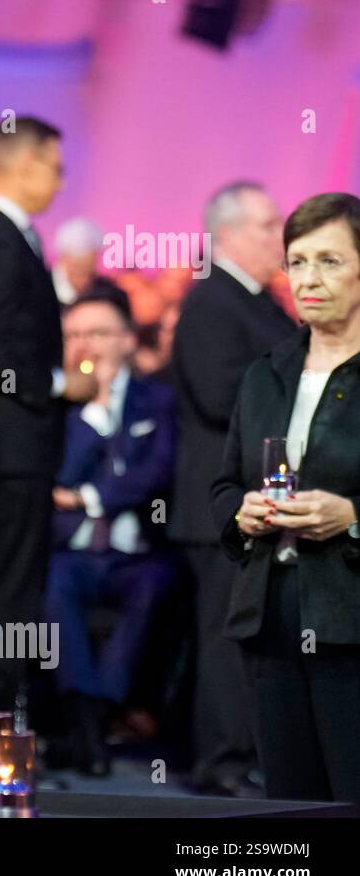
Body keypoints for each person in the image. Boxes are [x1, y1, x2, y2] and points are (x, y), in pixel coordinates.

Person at [0, 115, 96, 712]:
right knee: (6, 594)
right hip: (11, 451)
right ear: (26, 164)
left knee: (9, 592)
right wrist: (63, 384)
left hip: (16, 449)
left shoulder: (9, 235)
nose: (60, 182)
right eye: (55, 168)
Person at [211, 192, 360, 804]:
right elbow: (223, 486)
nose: (308, 279)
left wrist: (352, 517)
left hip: (350, 615)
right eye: (297, 262)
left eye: (329, 260)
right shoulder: (266, 372)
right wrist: (242, 517)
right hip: (270, 616)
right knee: (290, 802)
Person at [172, 181, 297, 797]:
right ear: (227, 233)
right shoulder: (212, 304)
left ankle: (249, 753)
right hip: (218, 506)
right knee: (226, 638)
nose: (280, 234)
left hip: (255, 502)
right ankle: (220, 760)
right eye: (268, 223)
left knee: (250, 636)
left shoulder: (260, 302)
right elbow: (222, 397)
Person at [45, 296, 176, 775]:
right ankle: (90, 723)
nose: (84, 344)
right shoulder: (57, 406)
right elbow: (55, 477)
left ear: (125, 340)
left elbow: (156, 475)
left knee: (156, 586)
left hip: (136, 551)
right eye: (74, 334)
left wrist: (88, 498)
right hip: (72, 551)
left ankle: (96, 713)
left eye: (96, 333)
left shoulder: (157, 399)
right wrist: (91, 416)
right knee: (54, 589)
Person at [51, 217, 130, 313]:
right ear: (63, 259)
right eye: (77, 269)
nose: (83, 279)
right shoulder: (42, 290)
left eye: (88, 272)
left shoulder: (109, 294)